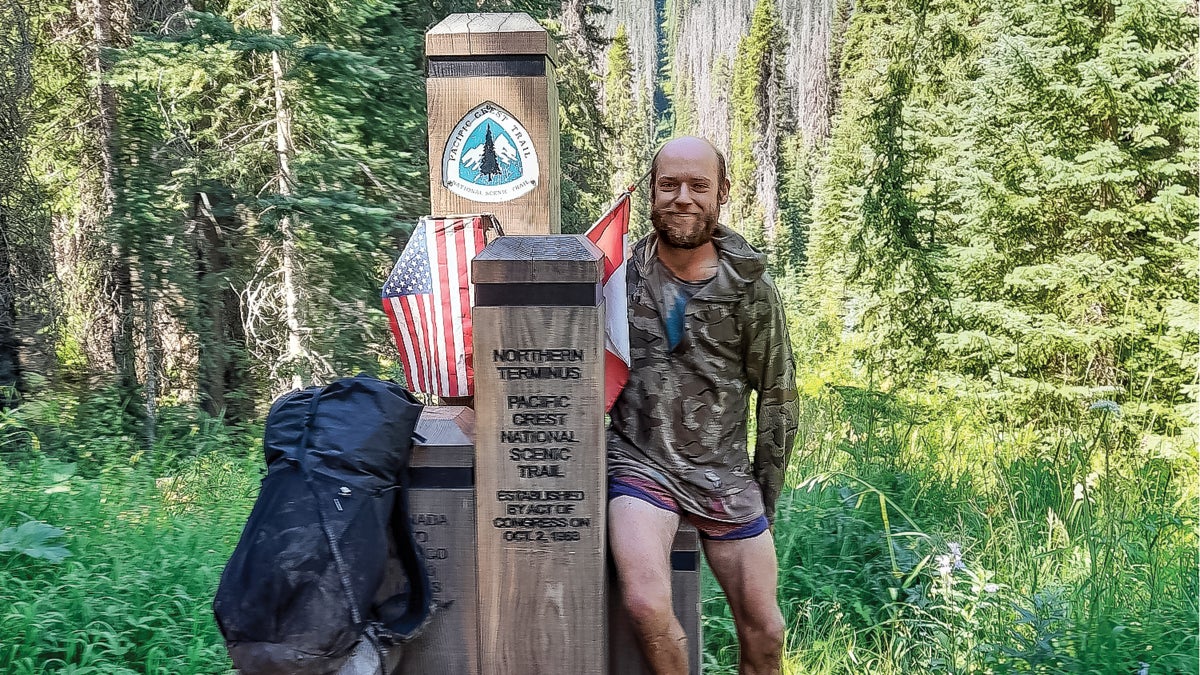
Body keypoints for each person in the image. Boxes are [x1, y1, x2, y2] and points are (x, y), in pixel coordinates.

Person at [607, 136, 800, 675]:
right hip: (640, 464)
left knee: (766, 632)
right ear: (651, 192)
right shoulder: (620, 276)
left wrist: (765, 497)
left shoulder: (750, 288)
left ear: (722, 193)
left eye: (698, 185)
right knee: (646, 605)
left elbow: (778, 395)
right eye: (669, 185)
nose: (683, 198)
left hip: (724, 474)